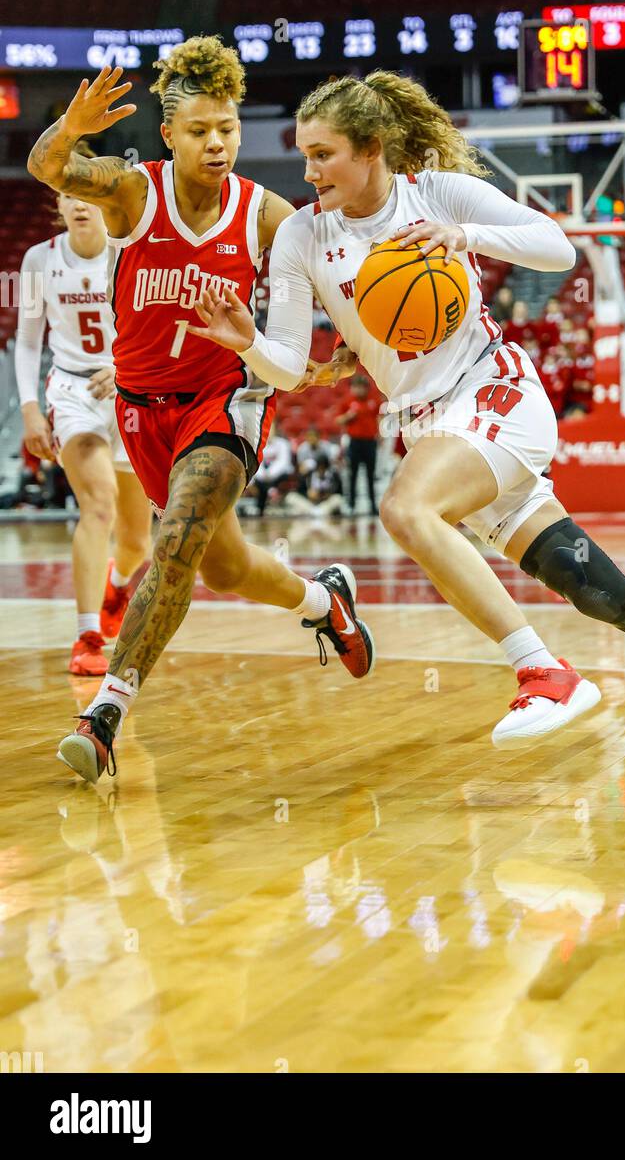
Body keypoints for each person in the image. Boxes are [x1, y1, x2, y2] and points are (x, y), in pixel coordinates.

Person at [192, 69, 625, 753]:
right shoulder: (300, 237)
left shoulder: (435, 192)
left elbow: (557, 249)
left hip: (493, 389)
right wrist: (251, 343)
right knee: (601, 592)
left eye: (323, 153)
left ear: (372, 148)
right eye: (303, 154)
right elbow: (292, 366)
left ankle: (543, 671)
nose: (309, 168)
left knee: (406, 511)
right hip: (429, 427)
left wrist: (462, 235)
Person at [27, 43, 374, 785]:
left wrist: (343, 345)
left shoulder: (266, 216)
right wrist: (69, 128)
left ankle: (105, 713)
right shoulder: (129, 193)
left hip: (225, 400)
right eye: (199, 131)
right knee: (224, 565)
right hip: (140, 410)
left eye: (228, 129)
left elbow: (327, 286)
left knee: (176, 540)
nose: (216, 143)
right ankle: (325, 600)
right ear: (169, 135)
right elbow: (47, 168)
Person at [14, 149, 153, 675]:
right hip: (72, 393)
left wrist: (123, 367)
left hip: (131, 393)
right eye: (68, 193)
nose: (78, 203)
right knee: (97, 505)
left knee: (137, 541)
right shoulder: (39, 259)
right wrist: (32, 410)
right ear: (60, 199)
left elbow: (156, 332)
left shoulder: (129, 253)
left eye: (87, 193)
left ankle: (118, 588)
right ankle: (87, 636)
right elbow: (28, 344)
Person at [336, 373, 379, 515]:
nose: (360, 390)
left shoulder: (374, 401)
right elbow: (338, 421)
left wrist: (380, 433)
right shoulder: (347, 401)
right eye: (356, 387)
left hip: (370, 442)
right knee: (352, 474)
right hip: (354, 442)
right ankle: (352, 506)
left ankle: (373, 506)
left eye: (362, 387)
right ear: (352, 388)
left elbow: (379, 417)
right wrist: (349, 416)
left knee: (370, 475)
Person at [250, 426, 294, 516]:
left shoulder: (283, 443)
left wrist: (270, 474)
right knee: (254, 478)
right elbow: (256, 462)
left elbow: (283, 462)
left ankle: (269, 499)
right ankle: (263, 506)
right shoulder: (258, 443)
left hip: (279, 475)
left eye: (271, 429)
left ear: (275, 430)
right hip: (263, 477)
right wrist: (263, 475)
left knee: (284, 474)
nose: (269, 432)